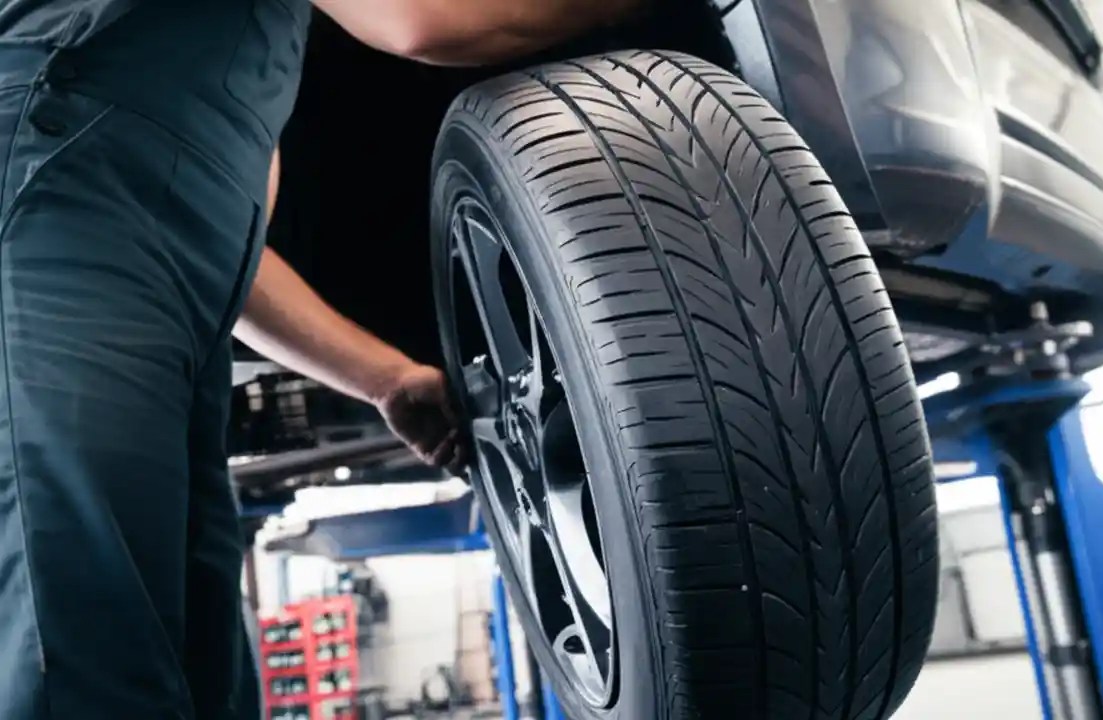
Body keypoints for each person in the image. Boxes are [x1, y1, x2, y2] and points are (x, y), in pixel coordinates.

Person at [0, 1, 642, 717]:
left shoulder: (238, 48)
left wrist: (383, 378)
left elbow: (224, 251)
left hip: (162, 311)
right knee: (79, 648)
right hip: (47, 240)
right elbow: (422, 19)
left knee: (195, 671)